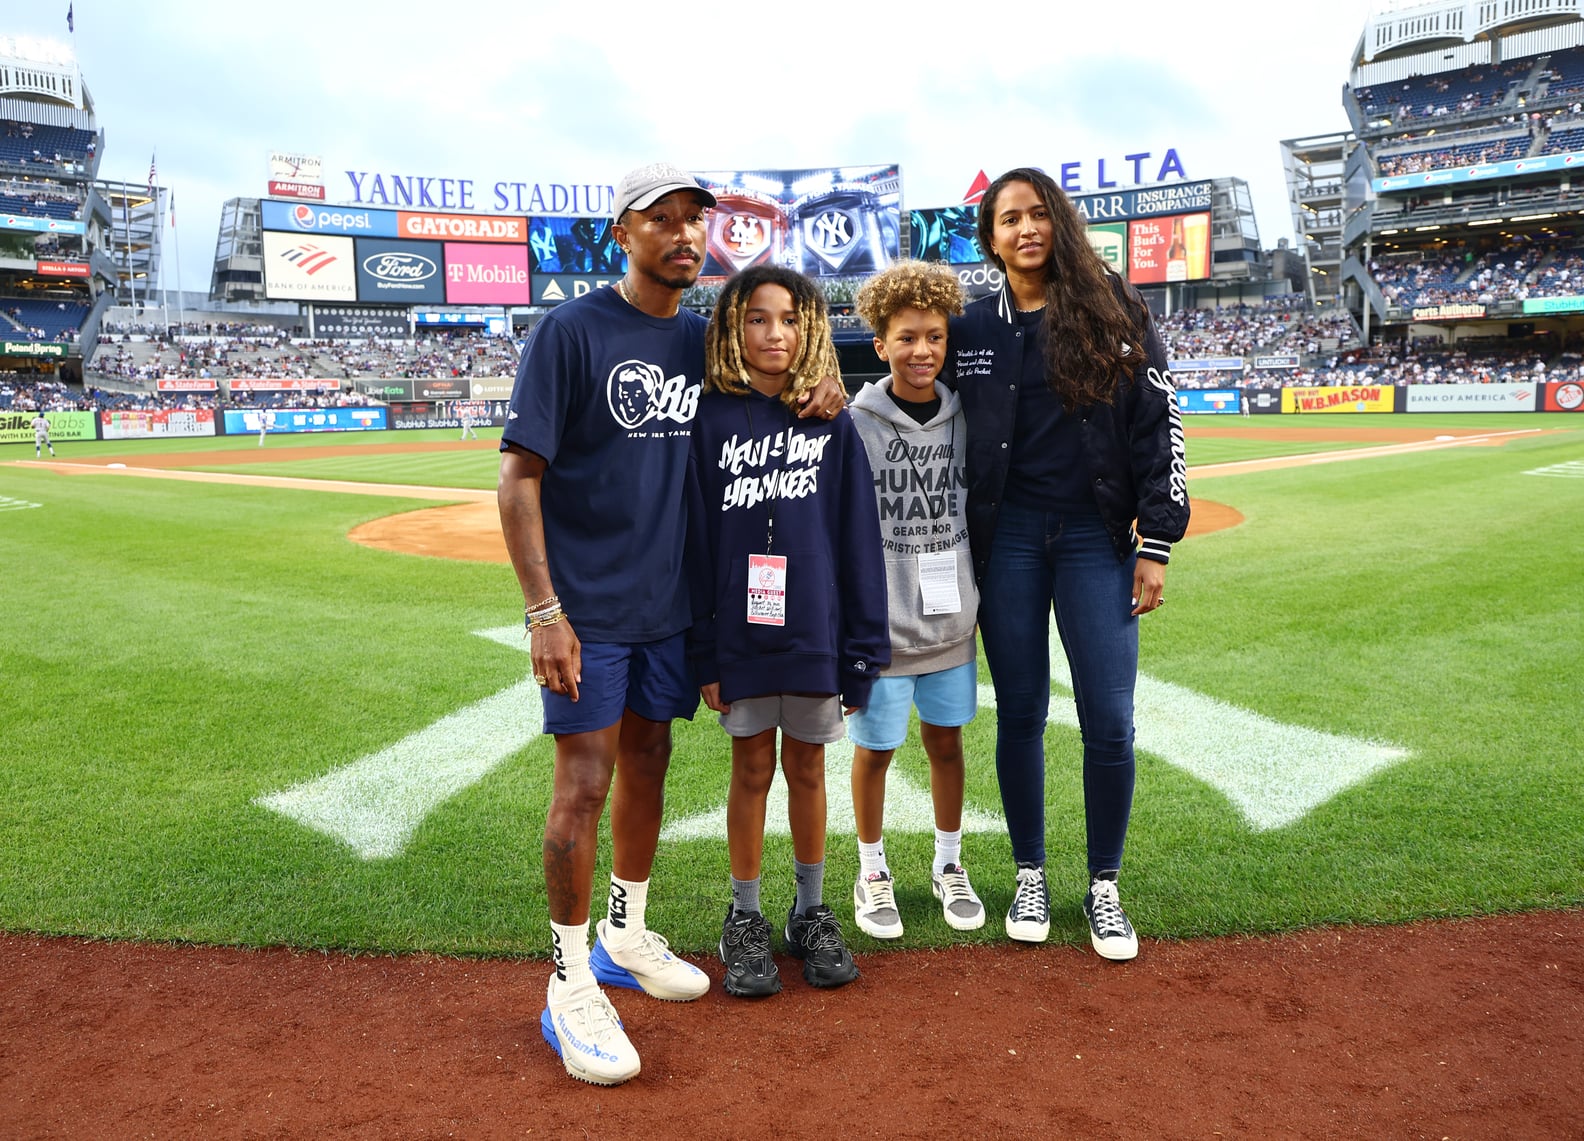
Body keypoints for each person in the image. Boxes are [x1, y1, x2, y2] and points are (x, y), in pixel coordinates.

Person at [497, 164, 847, 1085]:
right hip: (589, 608)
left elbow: (788, 364)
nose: (687, 234)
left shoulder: (705, 341)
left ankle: (624, 927)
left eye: (697, 220)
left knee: (649, 760)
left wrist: (827, 386)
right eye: (666, 219)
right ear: (624, 231)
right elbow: (518, 477)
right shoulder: (571, 332)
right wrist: (544, 609)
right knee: (583, 778)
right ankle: (568, 982)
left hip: (670, 612)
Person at [948, 168, 1189, 961]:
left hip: (1096, 538)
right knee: (1018, 714)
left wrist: (1156, 540)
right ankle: (1030, 872)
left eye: (1038, 213)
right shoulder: (972, 324)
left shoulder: (1114, 306)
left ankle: (1105, 885)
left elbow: (1160, 419)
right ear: (991, 236)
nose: (1025, 228)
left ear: (1061, 223)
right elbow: (903, 376)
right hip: (1006, 539)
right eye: (1009, 217)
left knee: (1110, 721)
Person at [686, 265, 889, 998]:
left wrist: (862, 650)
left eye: (791, 319)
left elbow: (858, 540)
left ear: (811, 329)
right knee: (749, 770)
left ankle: (809, 910)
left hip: (814, 635)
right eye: (758, 319)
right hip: (739, 637)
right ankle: (744, 916)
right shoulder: (707, 419)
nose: (776, 334)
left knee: (807, 769)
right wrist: (704, 647)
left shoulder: (833, 422)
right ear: (732, 329)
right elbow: (698, 545)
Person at [846, 261, 985, 939]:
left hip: (952, 621)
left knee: (946, 744)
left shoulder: (967, 416)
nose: (922, 350)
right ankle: (872, 869)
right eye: (906, 337)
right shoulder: (857, 422)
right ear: (880, 344)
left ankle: (948, 862)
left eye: (934, 336)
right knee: (874, 751)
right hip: (882, 628)